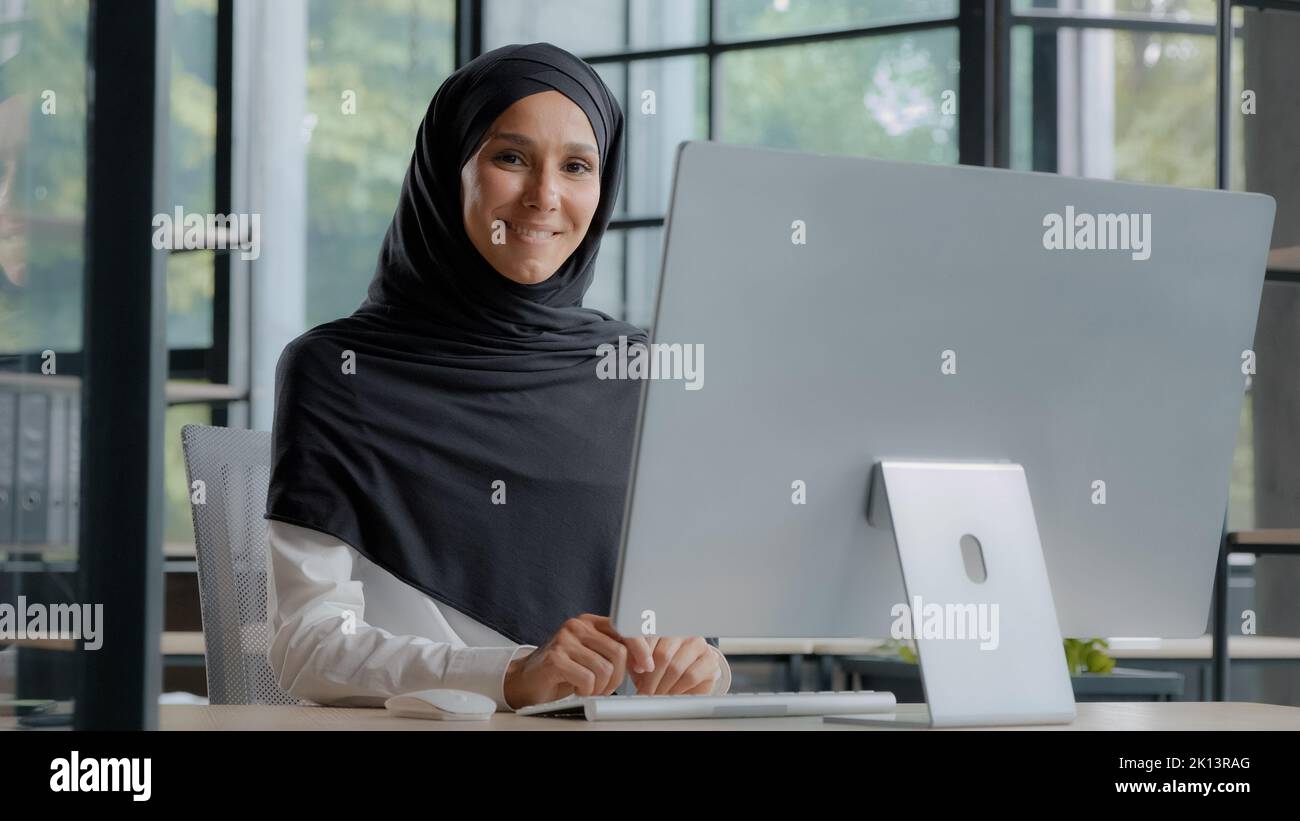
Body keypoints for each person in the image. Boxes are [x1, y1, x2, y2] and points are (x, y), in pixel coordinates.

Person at [265, 42, 731, 712]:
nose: (545, 196)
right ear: (447, 170)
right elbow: (306, 646)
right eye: (510, 157)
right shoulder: (339, 369)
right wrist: (510, 674)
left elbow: (695, 639)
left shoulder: (644, 370)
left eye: (576, 166)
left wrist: (705, 665)